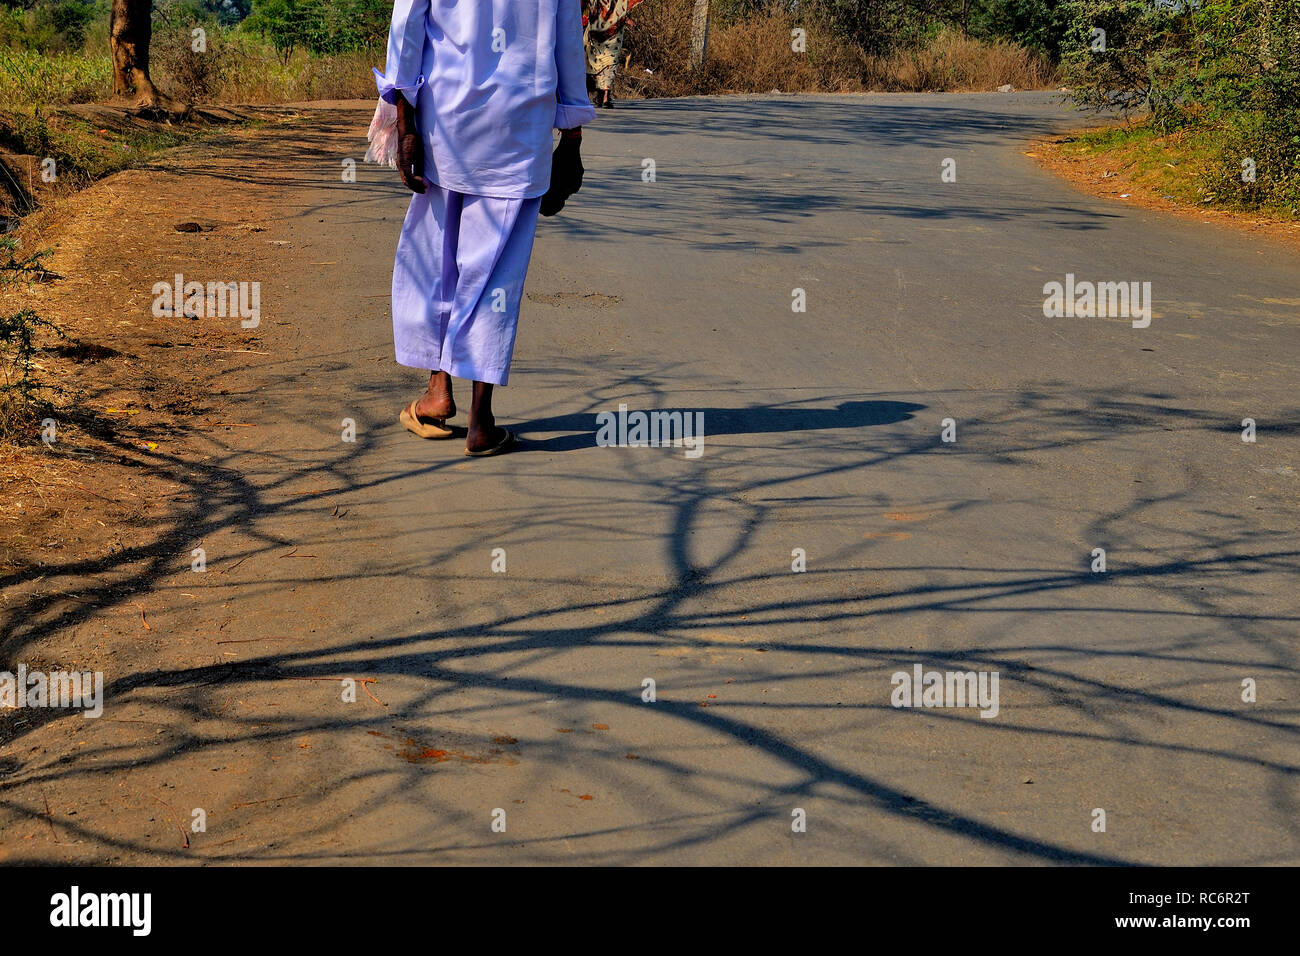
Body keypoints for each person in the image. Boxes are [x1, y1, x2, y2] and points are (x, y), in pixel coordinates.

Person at [367, 0, 597, 457]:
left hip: (446, 122)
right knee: (495, 274)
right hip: (519, 129)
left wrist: (405, 120)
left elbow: (408, 21)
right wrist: (571, 136)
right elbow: (569, 38)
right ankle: (480, 421)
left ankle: (437, 393)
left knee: (436, 255)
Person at [583, 0, 643, 109]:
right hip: (594, 31)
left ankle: (605, 96)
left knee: (611, 61)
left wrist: (625, 19)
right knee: (591, 63)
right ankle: (595, 96)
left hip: (614, 31)